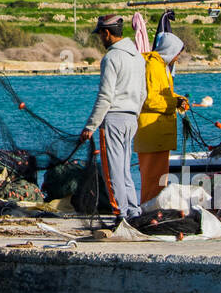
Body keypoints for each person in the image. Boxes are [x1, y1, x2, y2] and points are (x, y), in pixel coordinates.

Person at [80, 15, 147, 220]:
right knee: (124, 168)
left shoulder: (111, 58)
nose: (100, 39)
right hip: (132, 118)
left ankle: (121, 214)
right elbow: (143, 92)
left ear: (106, 33)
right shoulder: (137, 57)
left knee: (113, 170)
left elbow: (105, 96)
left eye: (100, 34)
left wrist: (90, 126)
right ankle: (134, 211)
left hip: (114, 118)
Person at [137, 31, 190, 205]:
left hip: (159, 133)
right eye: (177, 54)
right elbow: (151, 99)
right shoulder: (153, 66)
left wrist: (179, 99)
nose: (177, 58)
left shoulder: (162, 67)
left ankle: (155, 208)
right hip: (152, 131)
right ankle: (148, 209)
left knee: (160, 178)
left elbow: (164, 94)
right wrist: (174, 102)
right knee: (152, 178)